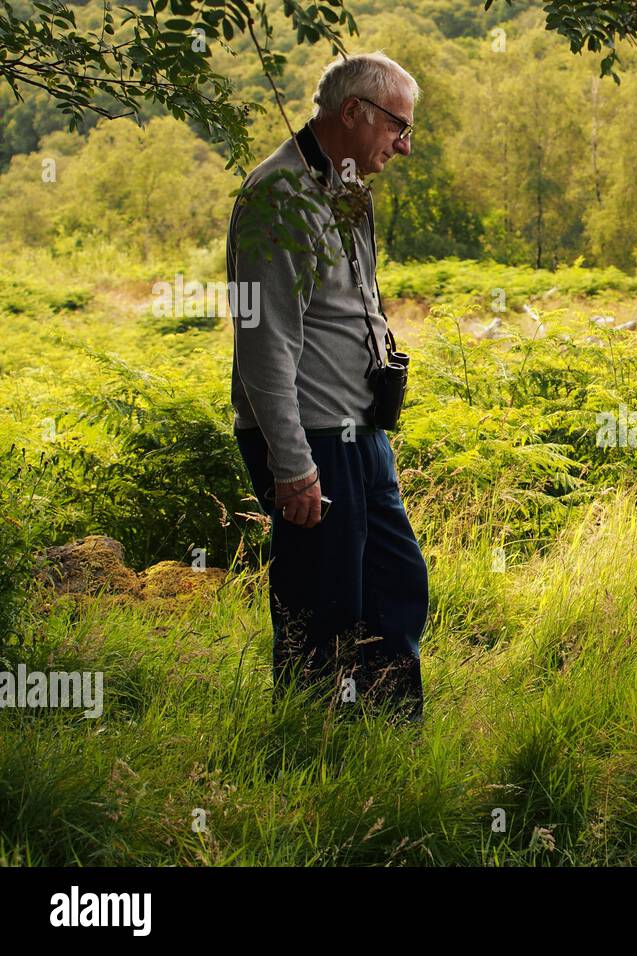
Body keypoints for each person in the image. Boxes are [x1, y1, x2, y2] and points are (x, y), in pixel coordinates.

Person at [226, 52, 426, 722]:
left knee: (395, 583)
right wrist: (294, 468)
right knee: (323, 606)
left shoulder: (341, 186)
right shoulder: (277, 199)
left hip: (359, 430)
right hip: (311, 439)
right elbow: (265, 344)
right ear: (352, 113)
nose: (404, 144)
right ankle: (309, 747)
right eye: (398, 127)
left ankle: (389, 738)